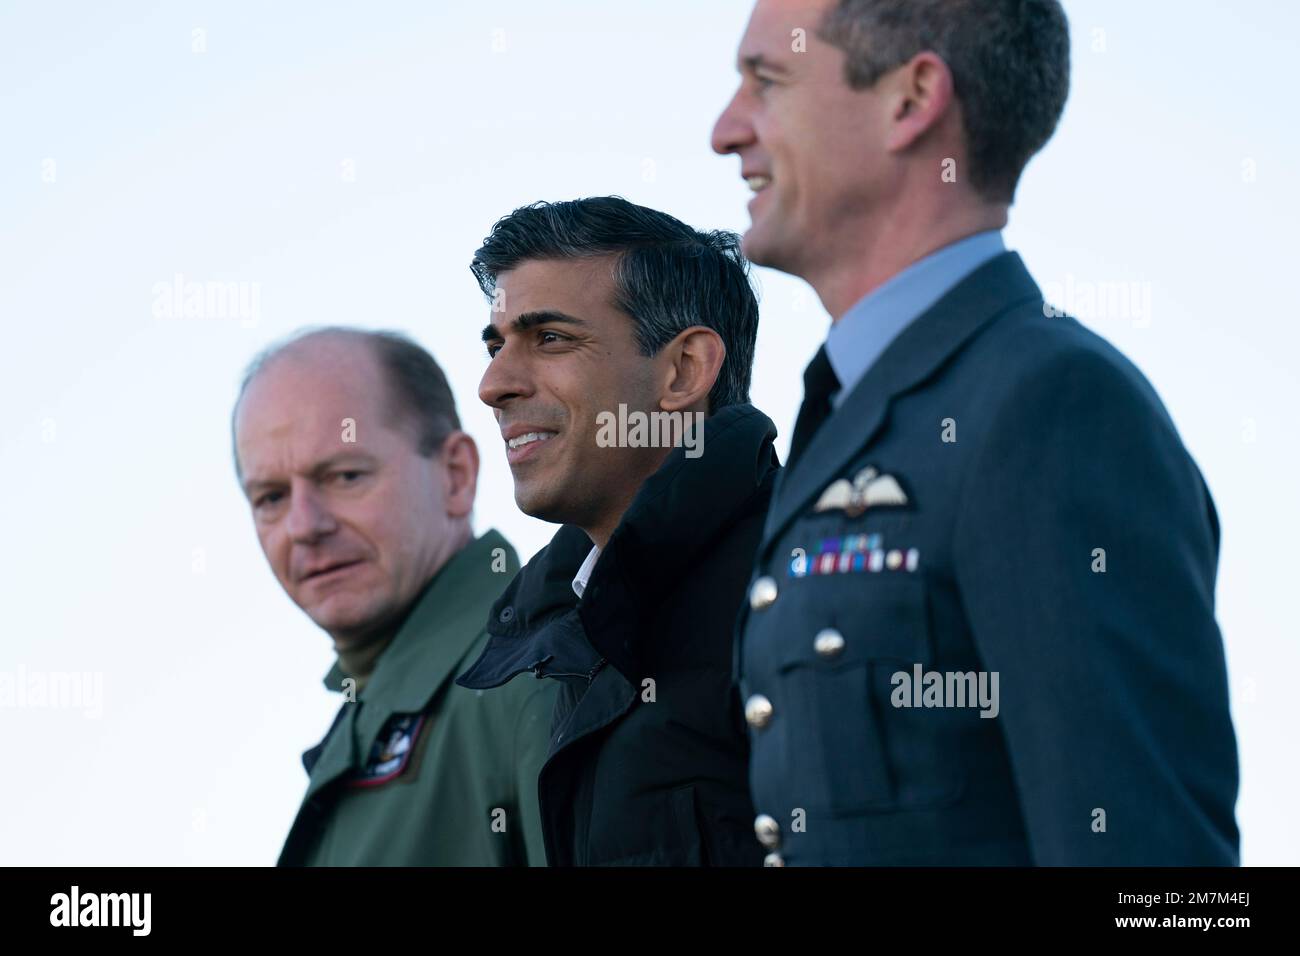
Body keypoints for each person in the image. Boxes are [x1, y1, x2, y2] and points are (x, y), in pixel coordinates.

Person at [712, 0, 1238, 865]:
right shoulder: (851, 405)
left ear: (911, 99)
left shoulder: (1055, 407)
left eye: (766, 81)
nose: (726, 131)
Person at [456, 197, 774, 866]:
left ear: (684, 370)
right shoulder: (561, 632)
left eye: (549, 338)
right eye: (496, 344)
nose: (493, 384)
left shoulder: (795, 590)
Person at [232, 327, 554, 865]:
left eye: (345, 476)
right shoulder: (380, 708)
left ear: (456, 476)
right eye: (270, 497)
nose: (303, 525)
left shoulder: (536, 675)